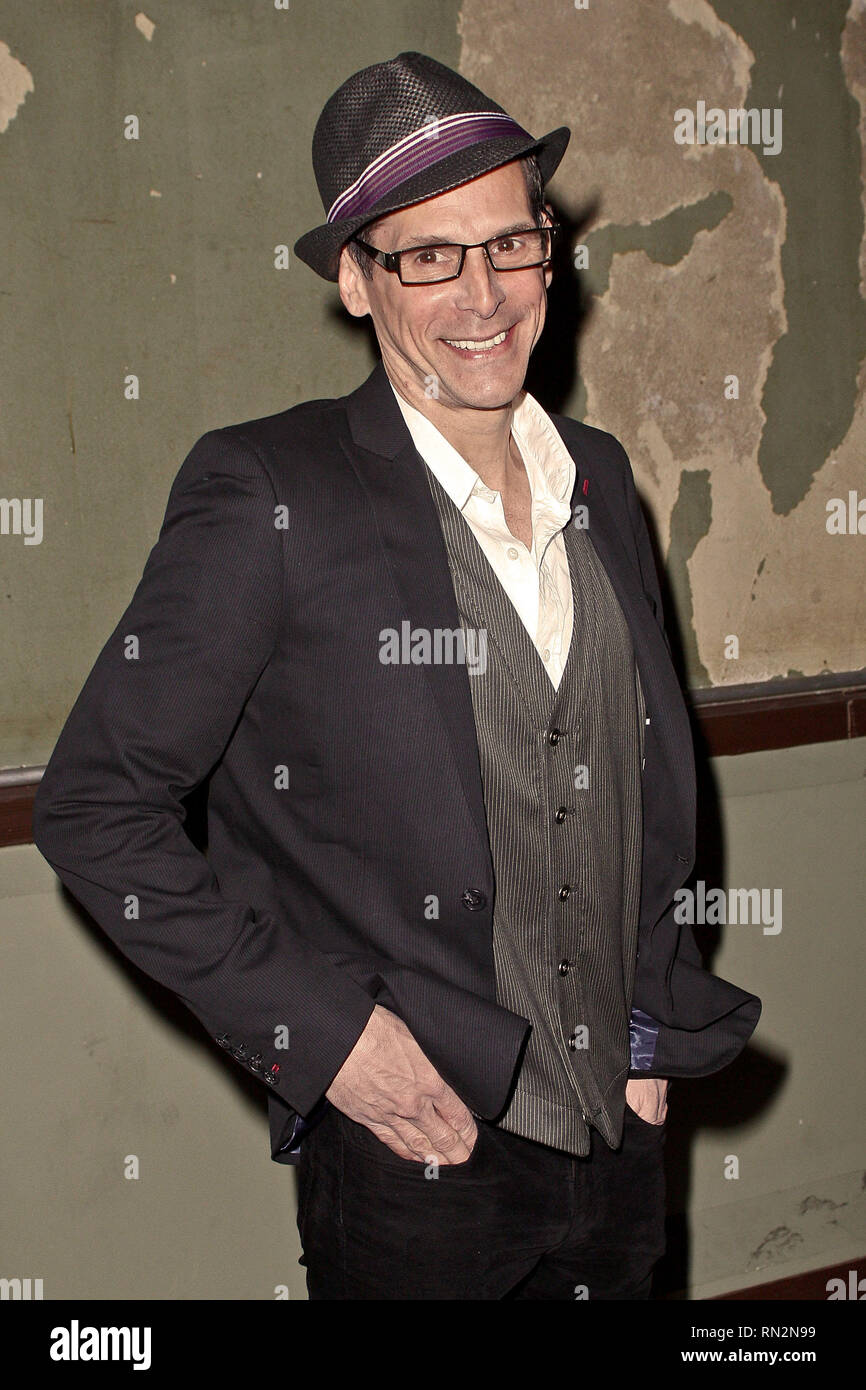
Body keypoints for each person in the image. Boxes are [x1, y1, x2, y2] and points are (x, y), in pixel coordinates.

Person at [33, 52, 761, 1301]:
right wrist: (329, 1047)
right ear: (358, 284)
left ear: (547, 250)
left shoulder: (598, 476)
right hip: (414, 1152)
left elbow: (647, 792)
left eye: (509, 243)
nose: (481, 295)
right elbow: (95, 808)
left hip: (620, 1134)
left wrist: (646, 1028)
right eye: (427, 255)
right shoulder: (268, 491)